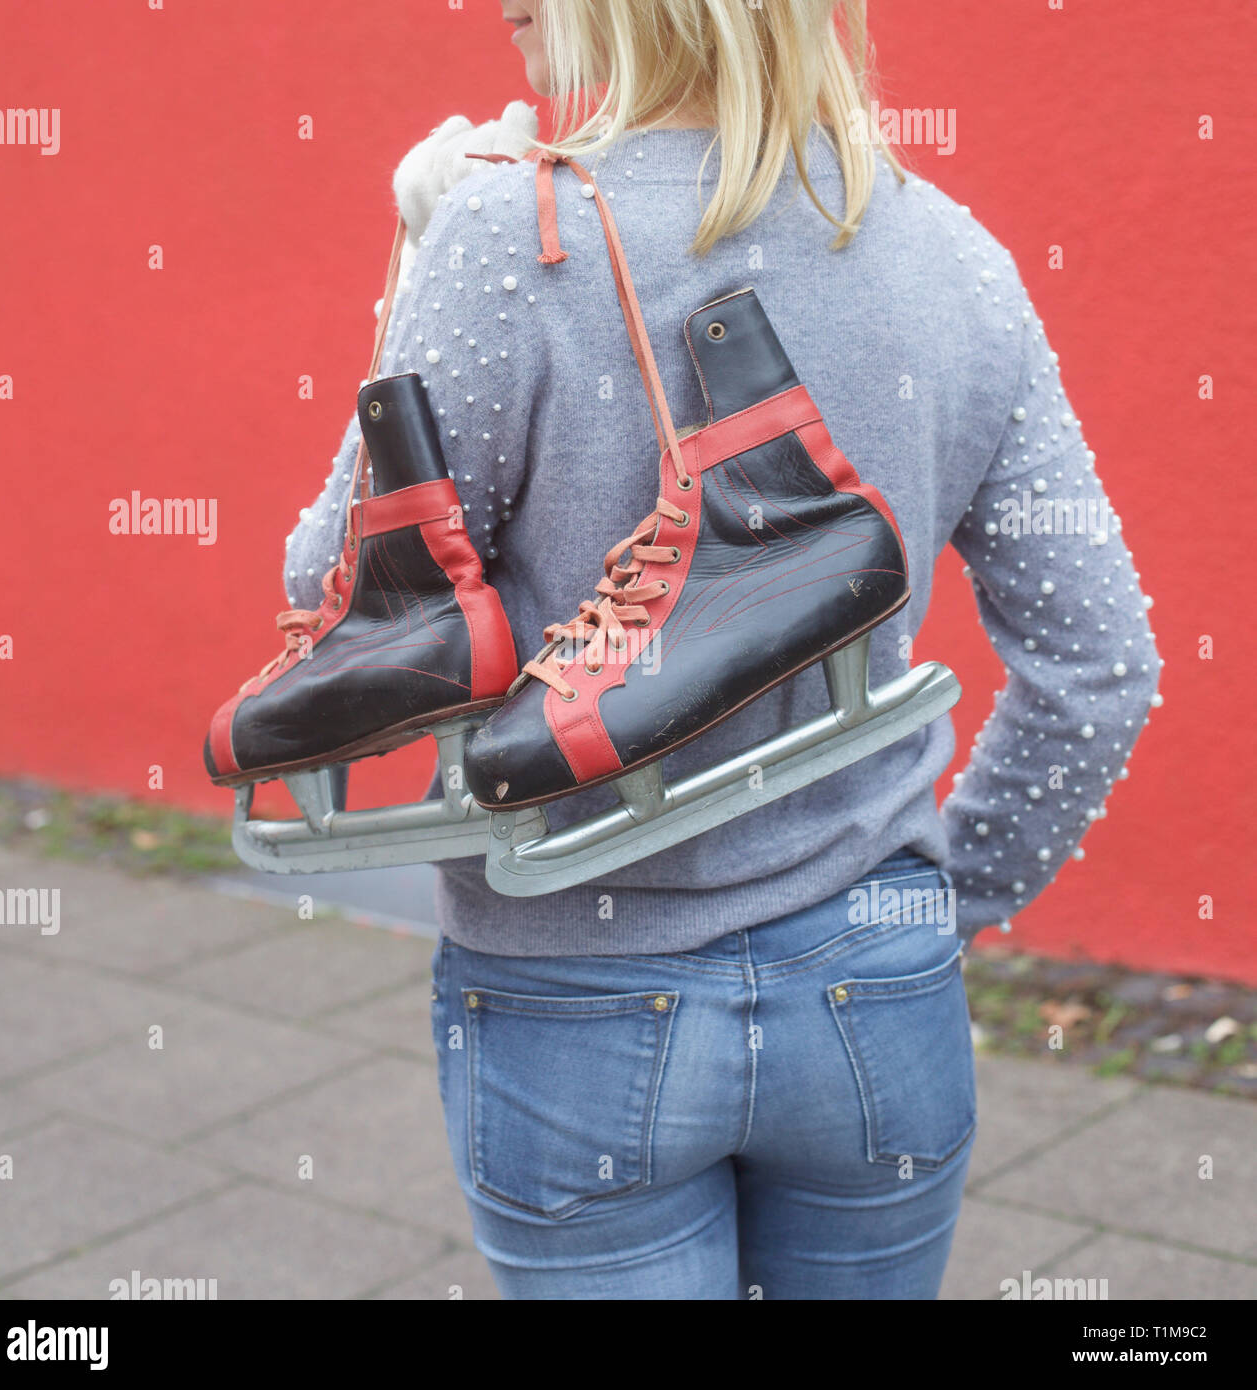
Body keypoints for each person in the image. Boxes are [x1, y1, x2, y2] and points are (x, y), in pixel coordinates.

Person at [284, 0, 1162, 1299]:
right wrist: (932, 905)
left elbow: (337, 601)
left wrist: (412, 262)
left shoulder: (503, 235)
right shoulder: (957, 258)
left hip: (573, 991)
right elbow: (1102, 668)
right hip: (877, 990)